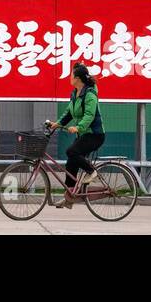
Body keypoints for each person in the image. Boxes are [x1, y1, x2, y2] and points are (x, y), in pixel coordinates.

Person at [47, 64, 104, 208]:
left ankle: (92, 171)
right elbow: (68, 113)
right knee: (71, 163)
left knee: (71, 151)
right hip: (84, 135)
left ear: (77, 78)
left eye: (71, 75)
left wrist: (78, 127)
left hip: (95, 135)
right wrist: (57, 124)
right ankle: (69, 197)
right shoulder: (75, 93)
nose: (70, 78)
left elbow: (89, 115)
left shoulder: (90, 95)